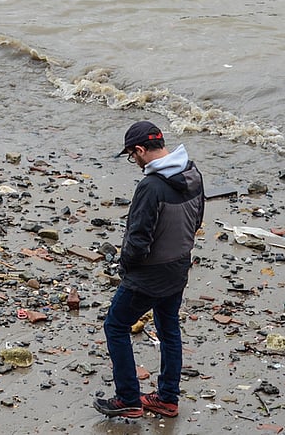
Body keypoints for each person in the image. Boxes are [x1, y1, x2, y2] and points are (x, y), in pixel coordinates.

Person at [94, 121, 205, 418]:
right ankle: (168, 398)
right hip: (179, 267)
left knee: (115, 326)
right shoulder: (193, 173)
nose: (135, 161)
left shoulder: (150, 186)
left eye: (133, 155)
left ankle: (128, 398)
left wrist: (125, 268)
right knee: (169, 330)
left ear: (141, 150)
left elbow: (138, 240)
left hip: (148, 276)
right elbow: (196, 221)